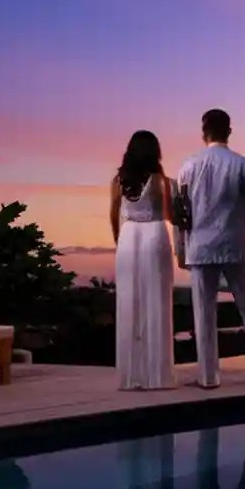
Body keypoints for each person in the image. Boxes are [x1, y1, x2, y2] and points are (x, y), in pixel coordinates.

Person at [175, 109, 245, 388]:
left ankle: (208, 377)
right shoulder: (243, 165)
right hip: (236, 246)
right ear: (229, 131)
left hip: (200, 249)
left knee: (203, 315)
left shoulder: (187, 167)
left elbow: (180, 215)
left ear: (203, 133)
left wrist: (181, 250)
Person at [110, 130, 178, 390]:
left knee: (129, 302)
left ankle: (131, 375)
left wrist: (120, 241)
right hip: (153, 233)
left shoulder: (118, 181)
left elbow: (113, 214)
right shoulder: (160, 180)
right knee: (157, 300)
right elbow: (170, 214)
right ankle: (157, 374)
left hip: (127, 237)